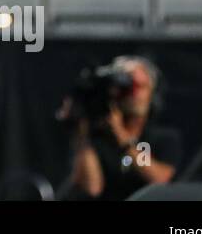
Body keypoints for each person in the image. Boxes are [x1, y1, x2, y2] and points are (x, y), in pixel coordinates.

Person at [66, 56, 180, 201]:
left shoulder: (162, 138)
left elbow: (159, 179)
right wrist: (82, 133)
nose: (134, 94)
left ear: (152, 93)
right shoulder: (96, 139)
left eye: (140, 87)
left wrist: (121, 136)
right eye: (127, 88)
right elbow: (91, 188)